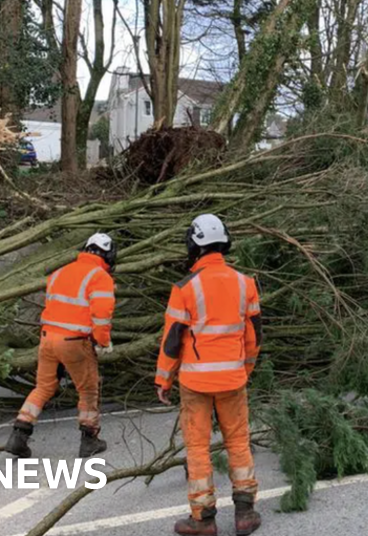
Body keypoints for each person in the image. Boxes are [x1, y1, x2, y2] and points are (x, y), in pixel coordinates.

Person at [156, 214, 263, 536]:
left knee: (198, 448)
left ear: (193, 244)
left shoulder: (185, 288)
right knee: (238, 441)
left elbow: (172, 340)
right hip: (233, 379)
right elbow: (254, 336)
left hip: (195, 382)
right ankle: (245, 513)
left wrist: (164, 379)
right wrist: (245, 369)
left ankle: (203, 518)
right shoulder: (246, 284)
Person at [5, 233, 118, 458]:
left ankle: (20, 432)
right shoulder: (100, 277)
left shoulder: (60, 272)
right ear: (108, 255)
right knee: (88, 389)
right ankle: (89, 439)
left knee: (43, 387)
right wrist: (103, 341)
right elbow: (102, 314)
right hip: (75, 341)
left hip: (48, 338)